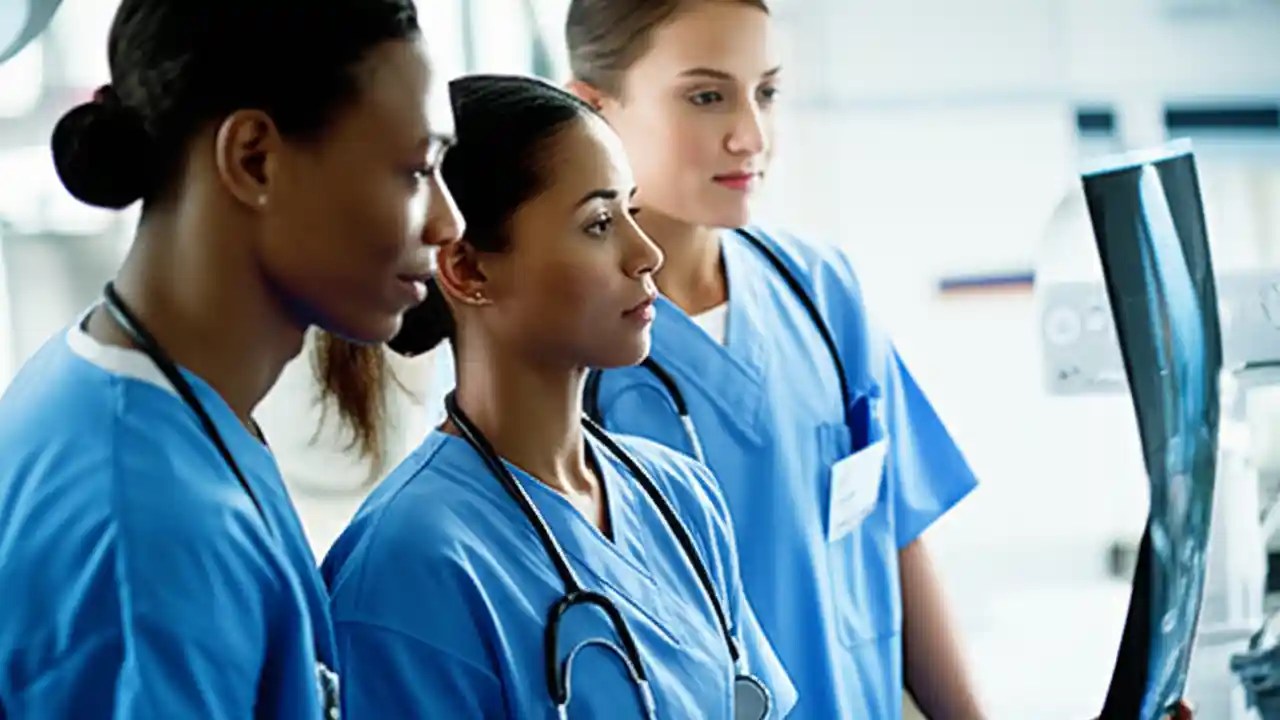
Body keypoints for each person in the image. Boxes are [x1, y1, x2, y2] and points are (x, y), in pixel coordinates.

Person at [0, 0, 461, 716]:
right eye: (416, 170)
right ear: (255, 159)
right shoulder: (151, 533)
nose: (448, 222)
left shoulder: (114, 387)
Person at [321, 73, 797, 719]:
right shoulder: (408, 565)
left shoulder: (680, 496)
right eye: (599, 223)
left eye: (631, 212)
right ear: (467, 268)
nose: (647, 253)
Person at [562, 1, 982, 718]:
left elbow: (897, 539)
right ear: (594, 109)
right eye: (706, 97)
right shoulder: (564, 345)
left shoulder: (821, 292)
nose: (751, 136)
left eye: (767, 92)